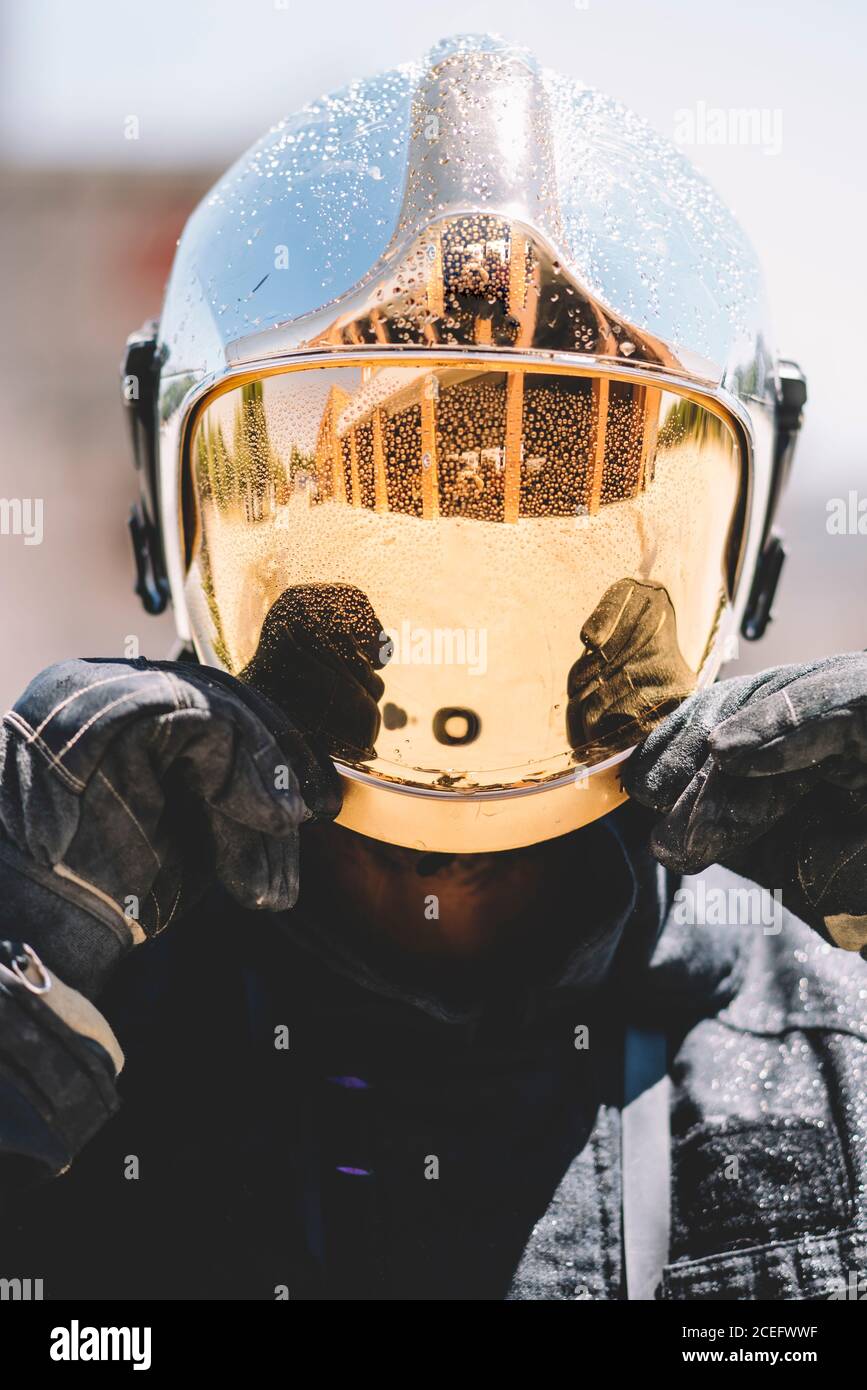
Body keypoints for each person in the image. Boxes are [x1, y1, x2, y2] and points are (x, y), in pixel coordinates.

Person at [1, 34, 865, 1302]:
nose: (472, 552)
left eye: (552, 476)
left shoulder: (836, 1049)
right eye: (386, 482)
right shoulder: (72, 1029)